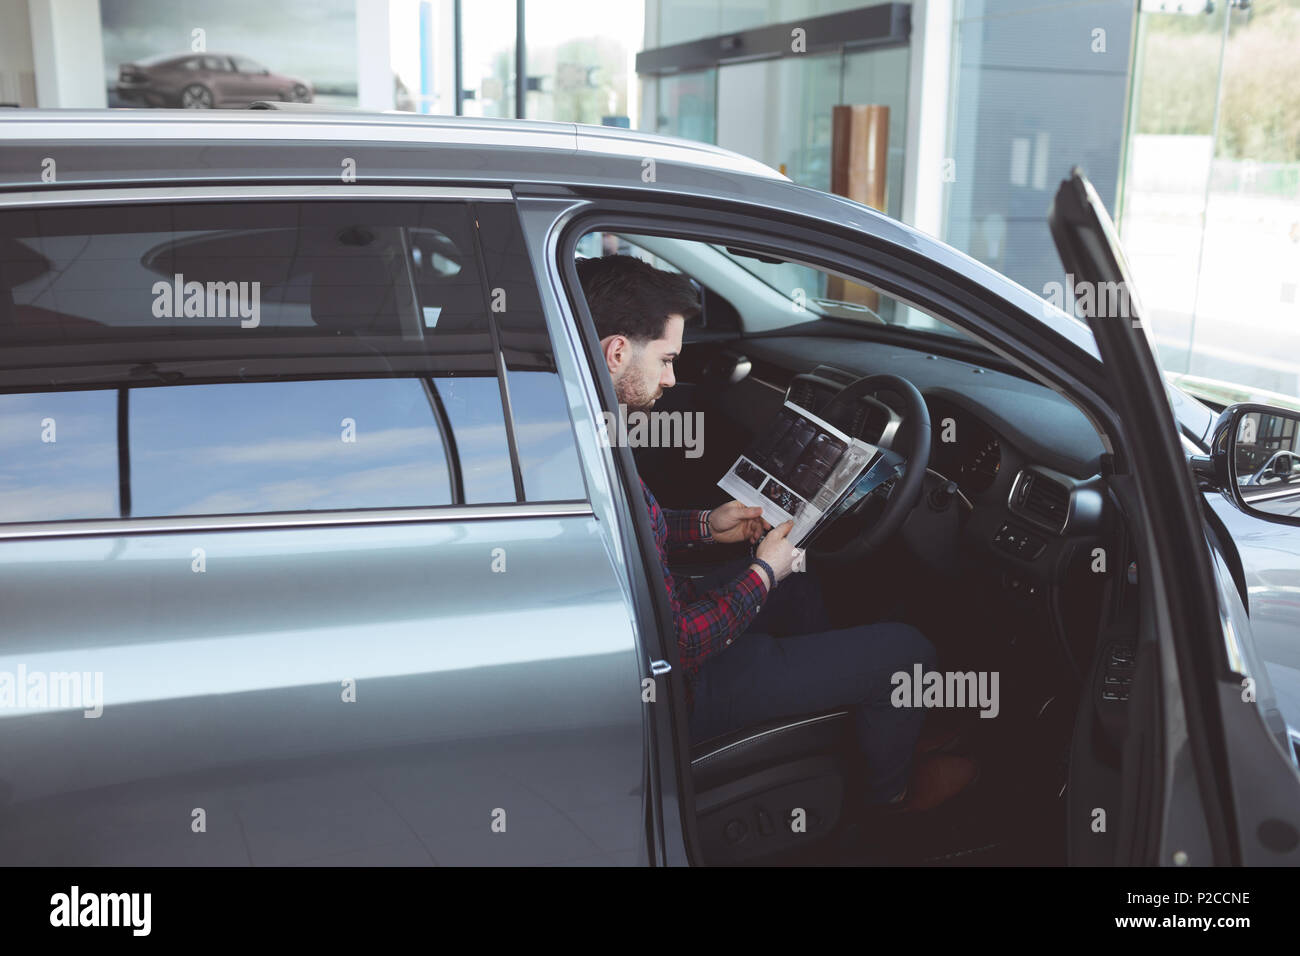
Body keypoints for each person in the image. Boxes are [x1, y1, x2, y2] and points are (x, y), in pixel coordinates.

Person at [577, 253, 978, 813]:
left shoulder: (577, 426)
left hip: (643, 644)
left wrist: (706, 526)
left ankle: (835, 721)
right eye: (667, 359)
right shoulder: (590, 441)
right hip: (676, 691)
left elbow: (630, 529)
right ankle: (893, 798)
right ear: (617, 352)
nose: (672, 377)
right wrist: (764, 571)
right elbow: (682, 644)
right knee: (906, 654)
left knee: (801, 584)